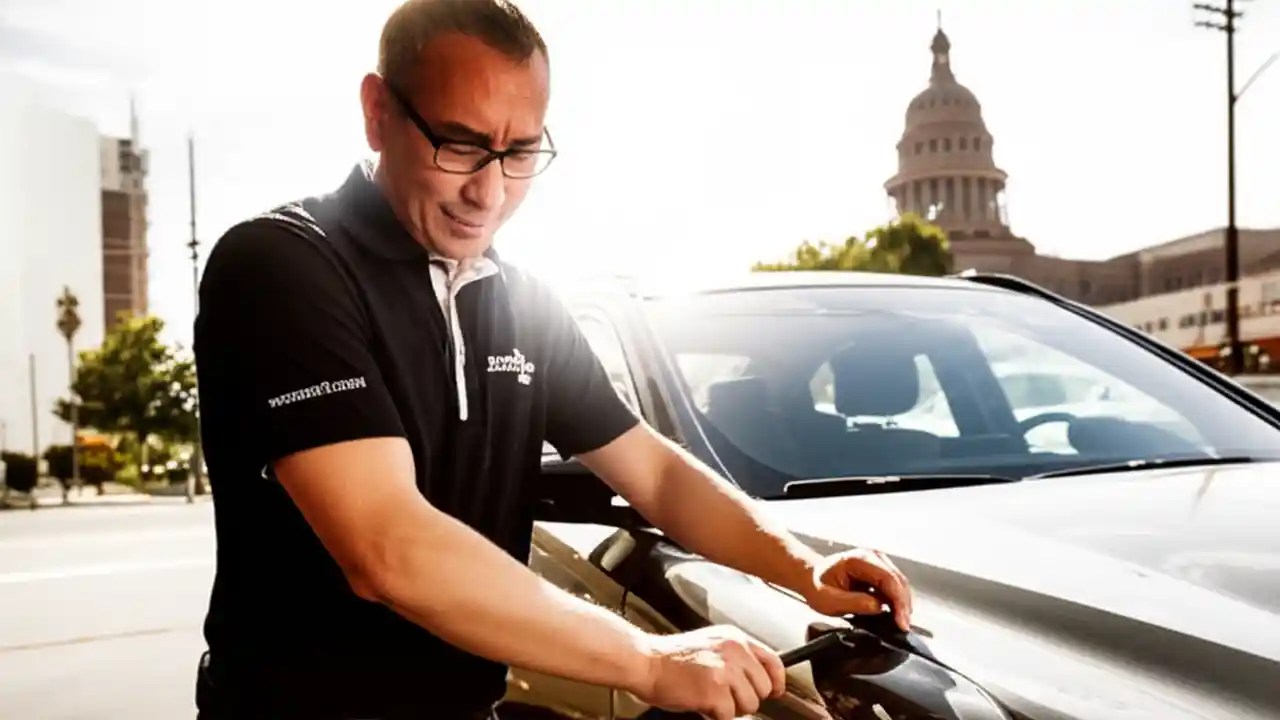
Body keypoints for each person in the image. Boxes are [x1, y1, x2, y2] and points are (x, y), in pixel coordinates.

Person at [191, 1, 913, 718]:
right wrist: (648, 659)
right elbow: (387, 547)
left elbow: (655, 472)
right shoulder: (281, 266)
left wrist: (801, 568)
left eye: (521, 153)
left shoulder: (523, 301)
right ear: (377, 111)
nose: (490, 191)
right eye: (460, 144)